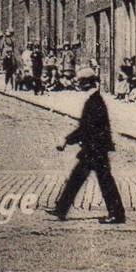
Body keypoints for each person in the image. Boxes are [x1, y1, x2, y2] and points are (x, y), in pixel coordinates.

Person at [48, 82, 125, 224]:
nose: (78, 84)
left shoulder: (94, 102)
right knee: (77, 179)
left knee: (103, 181)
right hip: (94, 148)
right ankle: (61, 209)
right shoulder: (94, 99)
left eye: (81, 82)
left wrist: (67, 139)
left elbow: (85, 128)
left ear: (86, 83)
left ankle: (117, 214)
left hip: (96, 149)